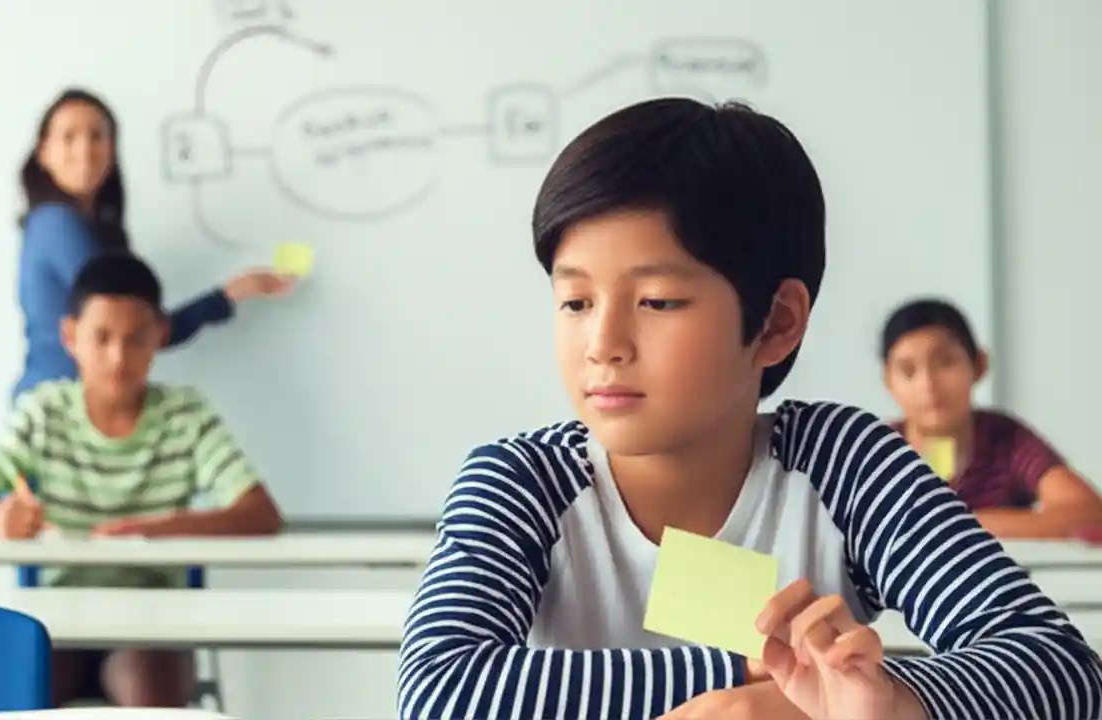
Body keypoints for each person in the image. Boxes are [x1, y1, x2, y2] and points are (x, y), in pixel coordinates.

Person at [396, 99, 1102, 720]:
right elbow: (441, 690)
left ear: (775, 323)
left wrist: (875, 699)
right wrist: (746, 672)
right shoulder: (520, 481)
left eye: (657, 302)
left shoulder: (846, 466)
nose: (603, 344)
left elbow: (1061, 671)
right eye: (575, 301)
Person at [0, 254, 284, 707]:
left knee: (149, 686)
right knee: (17, 683)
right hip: (60, 617)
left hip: (154, 621)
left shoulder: (186, 415)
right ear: (70, 336)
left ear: (161, 336)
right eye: (102, 337)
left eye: (136, 339)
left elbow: (260, 513)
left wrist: (157, 529)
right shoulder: (43, 412)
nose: (118, 358)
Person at [14, 87, 293, 399]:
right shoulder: (57, 224)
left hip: (75, 410)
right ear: (43, 153)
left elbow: (138, 328)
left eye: (97, 136)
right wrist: (228, 295)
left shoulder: (79, 227)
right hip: (57, 416)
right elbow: (134, 326)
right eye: (69, 137)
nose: (85, 149)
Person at [881, 298, 1102, 539]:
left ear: (979, 365)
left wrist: (960, 525)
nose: (928, 385)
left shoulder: (1006, 440)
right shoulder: (876, 451)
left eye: (945, 363)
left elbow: (1089, 514)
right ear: (889, 381)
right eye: (908, 371)